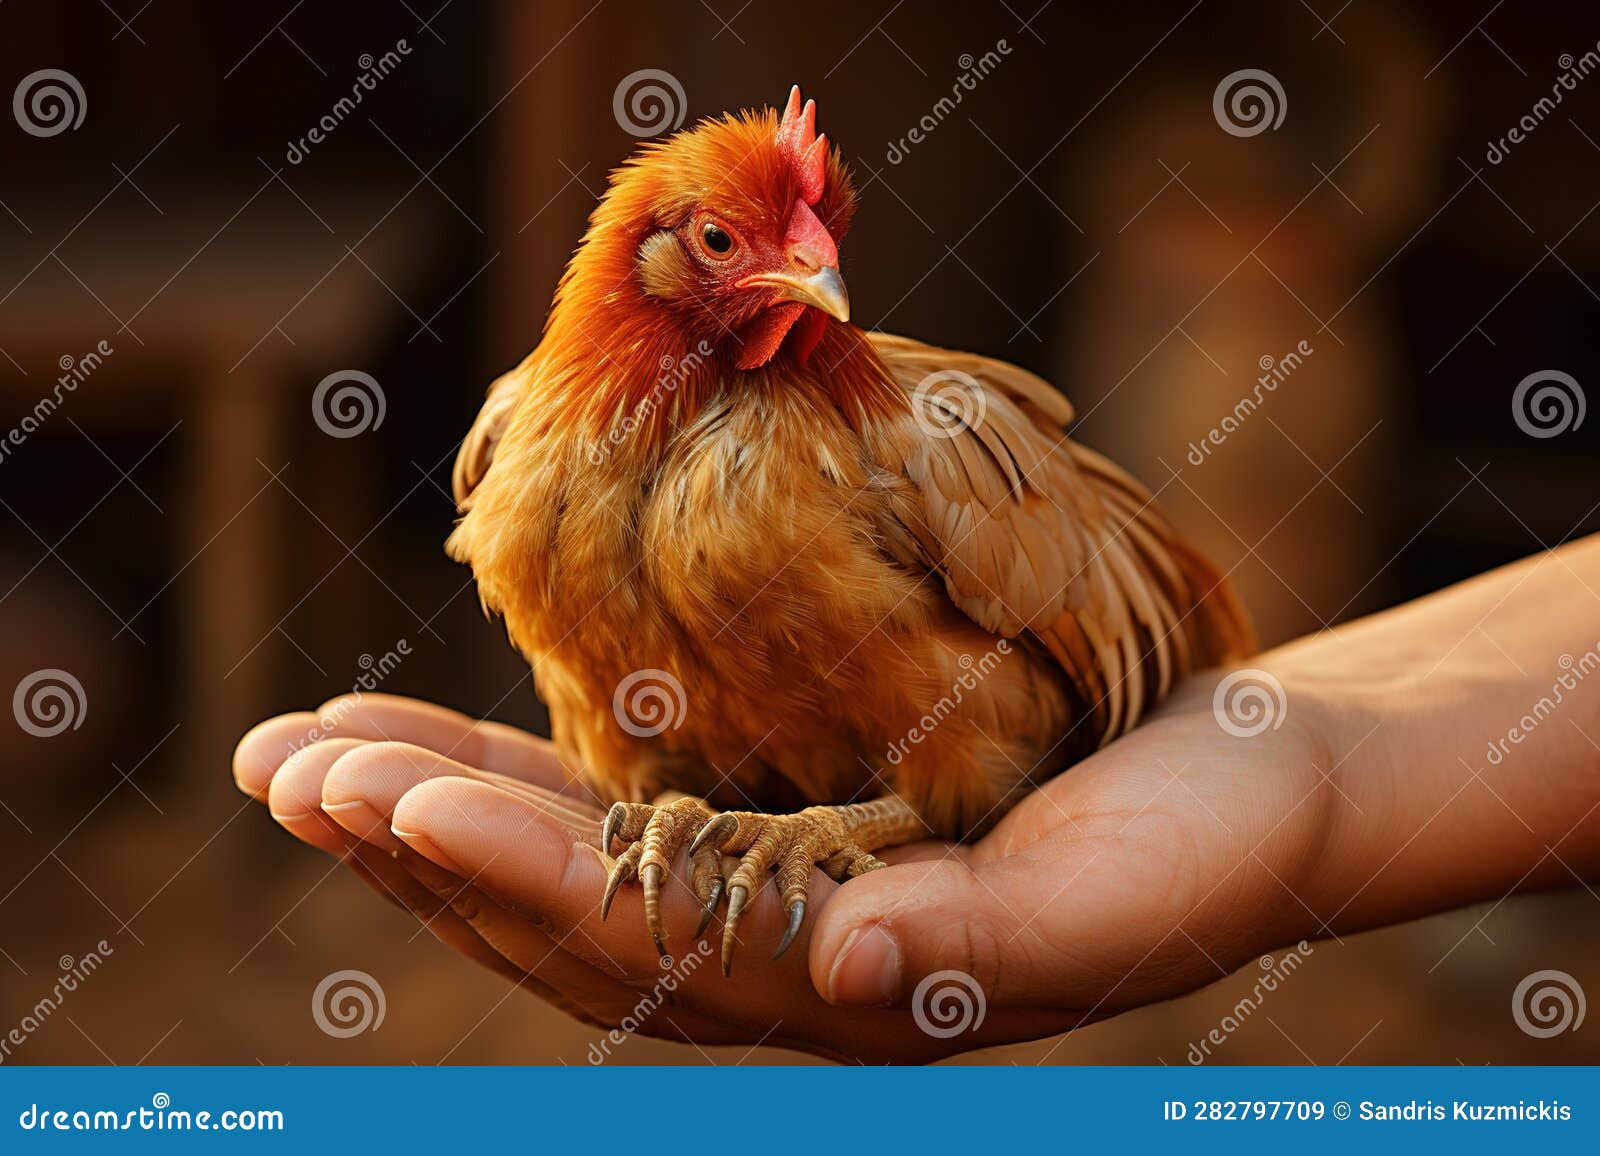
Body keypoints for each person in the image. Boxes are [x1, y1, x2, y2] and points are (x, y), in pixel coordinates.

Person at [234, 537, 1600, 1063]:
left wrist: (1313, 752)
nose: (809, 276)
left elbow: (974, 741)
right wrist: (1330, 745)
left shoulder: (895, 453)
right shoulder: (529, 460)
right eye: (727, 244)